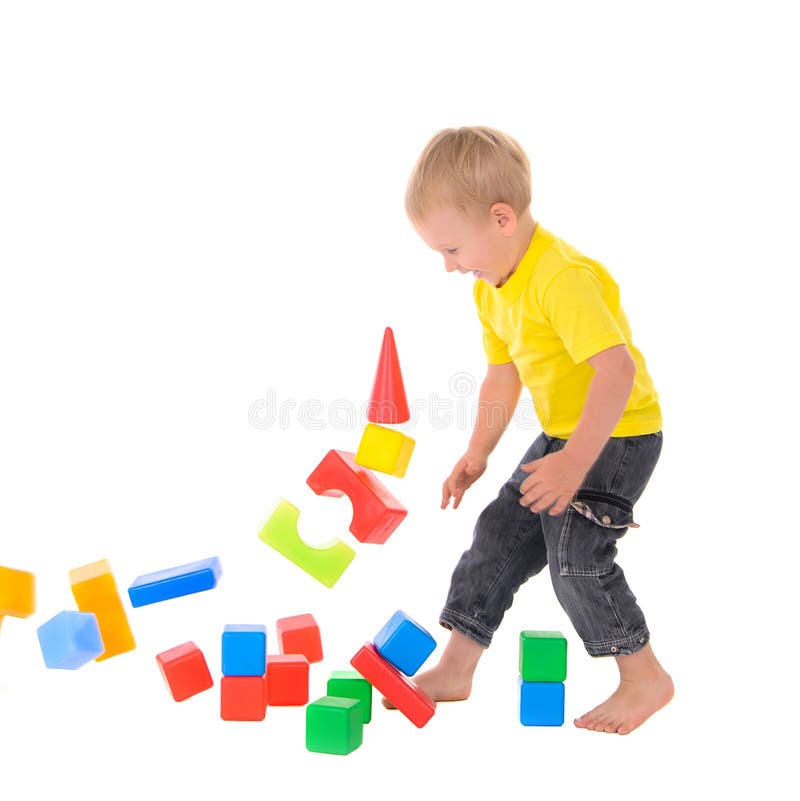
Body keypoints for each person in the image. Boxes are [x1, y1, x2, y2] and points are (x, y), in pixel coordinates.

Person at [400, 126, 673, 734]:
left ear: (501, 219)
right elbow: (503, 376)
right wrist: (477, 451)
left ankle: (644, 676)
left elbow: (617, 371)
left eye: (452, 250)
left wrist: (574, 462)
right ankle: (456, 668)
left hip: (621, 434)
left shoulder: (560, 277)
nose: (449, 267)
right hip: (564, 434)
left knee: (575, 553)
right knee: (499, 534)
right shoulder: (492, 289)